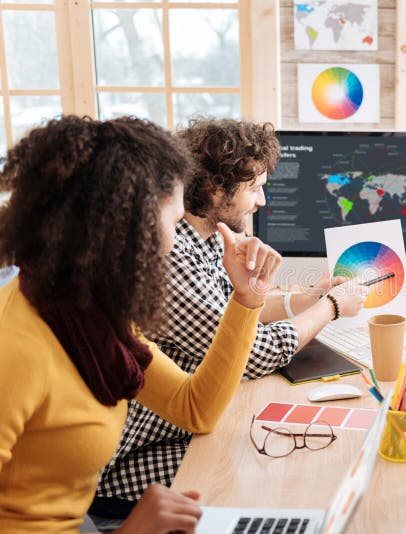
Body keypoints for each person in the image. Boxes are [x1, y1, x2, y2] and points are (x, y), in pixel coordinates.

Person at [0, 115, 282, 532]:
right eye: (171, 221)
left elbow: (194, 409)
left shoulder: (90, 313)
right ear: (124, 230)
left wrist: (247, 298)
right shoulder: (17, 348)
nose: (174, 241)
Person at [91, 118, 366, 525]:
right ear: (214, 189)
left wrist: (305, 298)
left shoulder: (201, 240)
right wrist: (330, 308)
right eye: (254, 188)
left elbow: (233, 313)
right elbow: (250, 353)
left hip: (188, 424)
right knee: (280, 475)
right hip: (138, 461)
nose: (263, 201)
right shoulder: (169, 255)